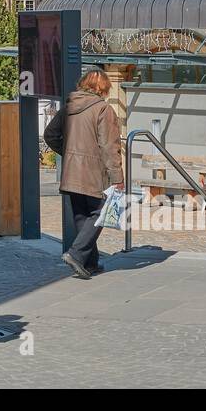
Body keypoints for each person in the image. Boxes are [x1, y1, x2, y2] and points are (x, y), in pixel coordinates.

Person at [44, 68, 124, 281]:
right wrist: (118, 178)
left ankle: (90, 263)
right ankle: (77, 254)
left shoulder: (68, 106)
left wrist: (68, 153)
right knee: (100, 213)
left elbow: (50, 134)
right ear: (103, 88)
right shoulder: (102, 110)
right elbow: (109, 147)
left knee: (81, 215)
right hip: (93, 172)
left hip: (71, 171)